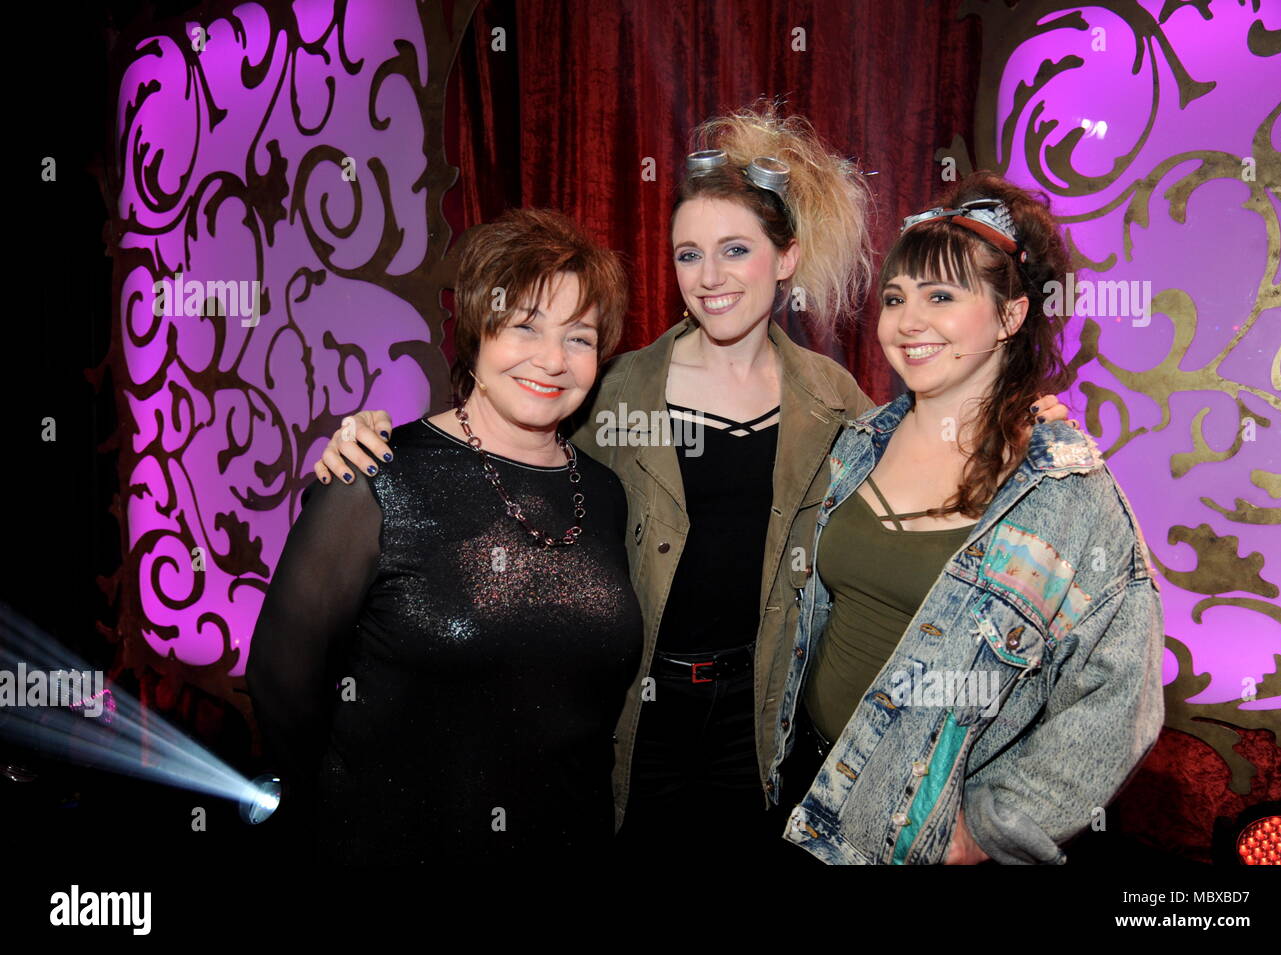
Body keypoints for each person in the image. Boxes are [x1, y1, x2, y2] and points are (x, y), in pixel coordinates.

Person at [311, 103, 1069, 861]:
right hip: (631, 713)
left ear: (786, 258)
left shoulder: (837, 401)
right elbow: (503, 432)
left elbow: (927, 453)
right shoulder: (613, 388)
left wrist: (1010, 409)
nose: (709, 279)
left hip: (762, 715)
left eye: (735, 250)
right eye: (686, 255)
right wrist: (379, 440)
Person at [772, 172, 1166, 865]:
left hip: (913, 831)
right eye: (896, 297)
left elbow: (1120, 700)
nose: (907, 321)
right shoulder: (858, 441)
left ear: (1011, 316)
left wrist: (989, 829)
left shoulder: (1065, 495)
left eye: (942, 296)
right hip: (802, 788)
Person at [244, 208, 642, 865]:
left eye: (581, 337)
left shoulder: (604, 493)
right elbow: (282, 683)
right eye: (525, 326)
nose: (552, 358)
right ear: (478, 330)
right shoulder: (372, 479)